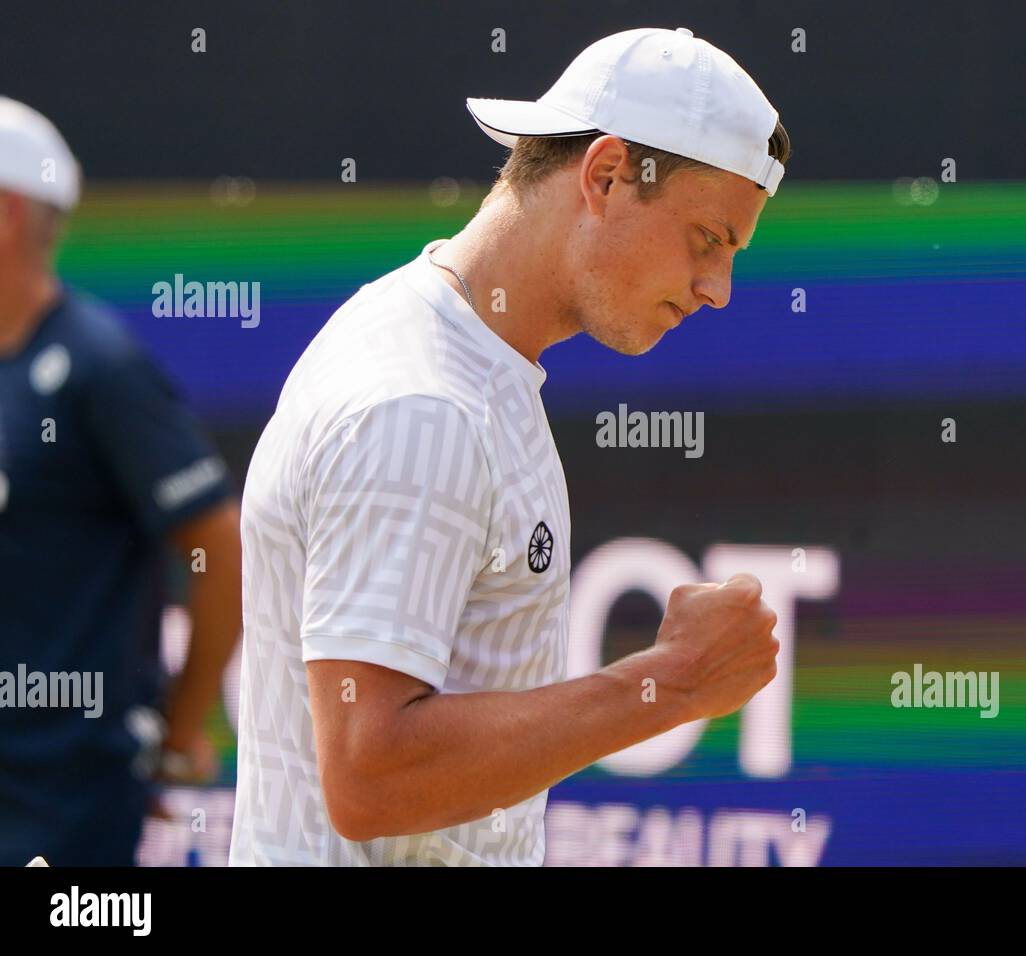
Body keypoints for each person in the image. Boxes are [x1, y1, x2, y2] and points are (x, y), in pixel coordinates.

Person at [230, 26, 790, 866]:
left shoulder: (458, 359)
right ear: (605, 176)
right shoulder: (421, 404)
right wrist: (668, 682)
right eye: (707, 240)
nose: (717, 289)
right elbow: (370, 778)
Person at [0, 97, 243, 866]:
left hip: (64, 797)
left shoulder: (99, 368)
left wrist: (178, 730)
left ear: (6, 213)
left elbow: (220, 547)